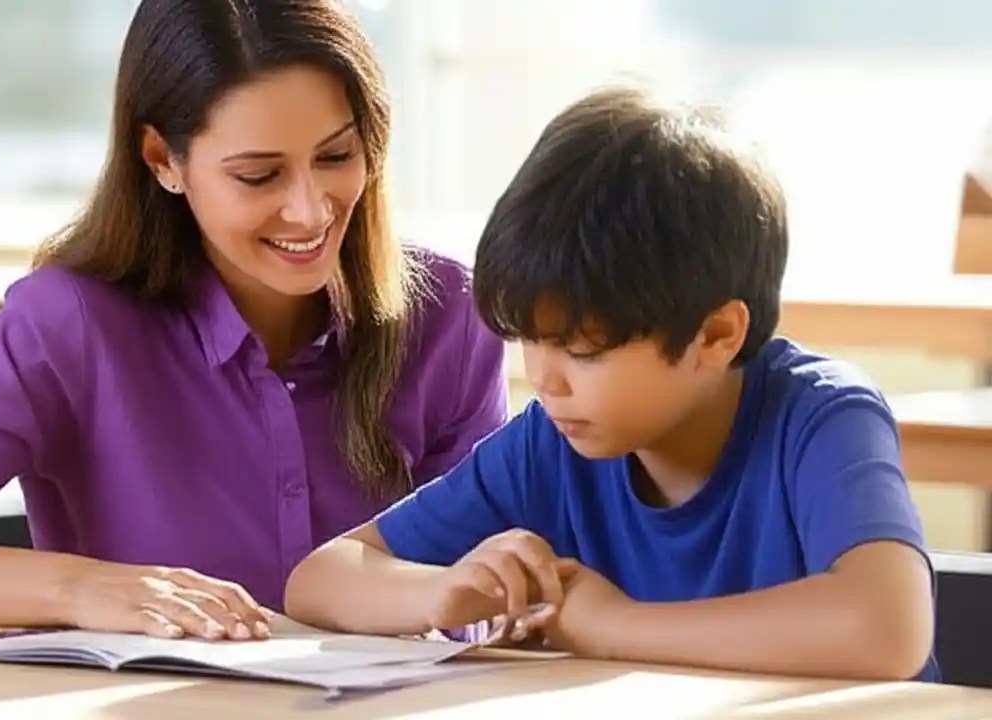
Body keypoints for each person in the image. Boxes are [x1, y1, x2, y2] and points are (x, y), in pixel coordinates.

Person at [0, 0, 507, 643]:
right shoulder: (69, 324)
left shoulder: (448, 319)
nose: (312, 210)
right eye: (258, 175)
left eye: (337, 157)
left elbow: (481, 598)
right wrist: (86, 589)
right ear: (163, 159)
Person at [285, 86, 939, 681]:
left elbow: (887, 631)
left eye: (583, 350)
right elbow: (322, 579)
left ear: (717, 336)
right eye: (530, 341)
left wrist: (611, 625)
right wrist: (442, 590)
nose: (545, 380)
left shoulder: (821, 419)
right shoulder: (551, 443)